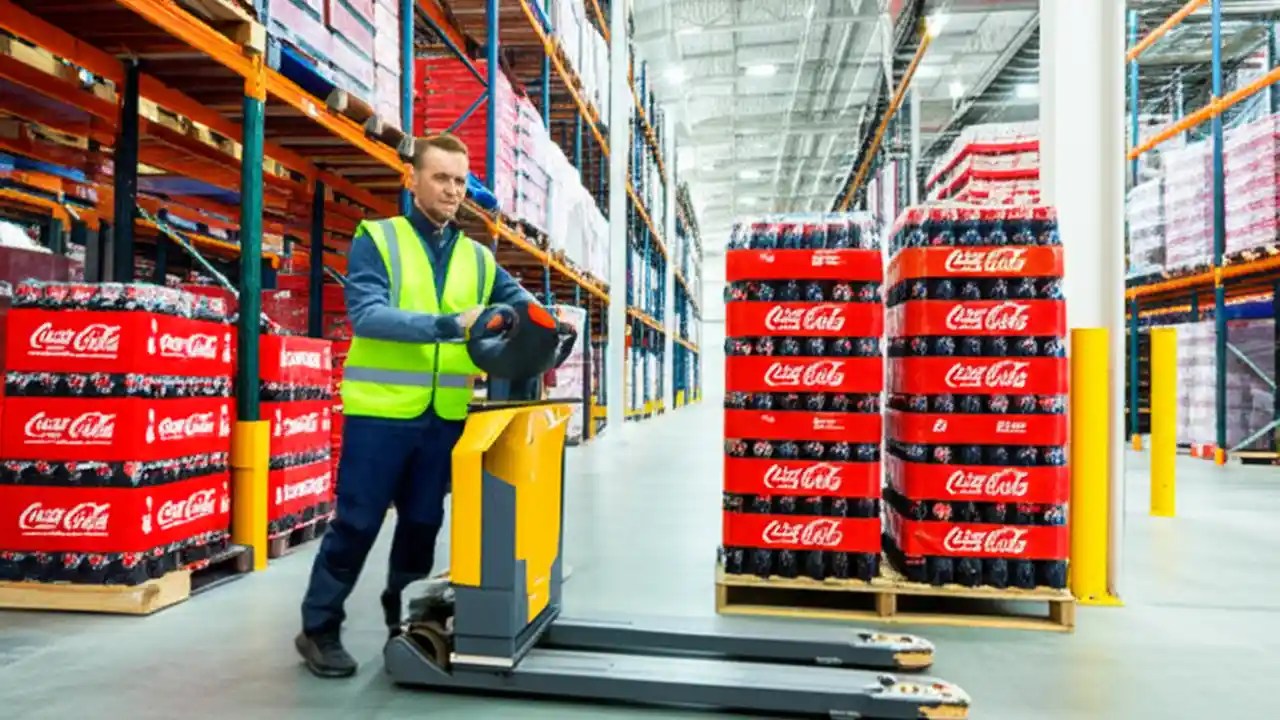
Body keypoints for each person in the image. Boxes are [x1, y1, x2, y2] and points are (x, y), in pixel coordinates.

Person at [295, 133, 534, 678]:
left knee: (423, 523)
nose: (451, 191)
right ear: (414, 179)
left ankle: (403, 625)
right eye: (440, 178)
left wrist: (548, 318)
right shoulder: (378, 239)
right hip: (381, 412)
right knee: (356, 523)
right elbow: (368, 314)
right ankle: (318, 627)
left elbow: (515, 297)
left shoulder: (477, 256)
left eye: (459, 181)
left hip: (443, 416)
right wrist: (449, 327)